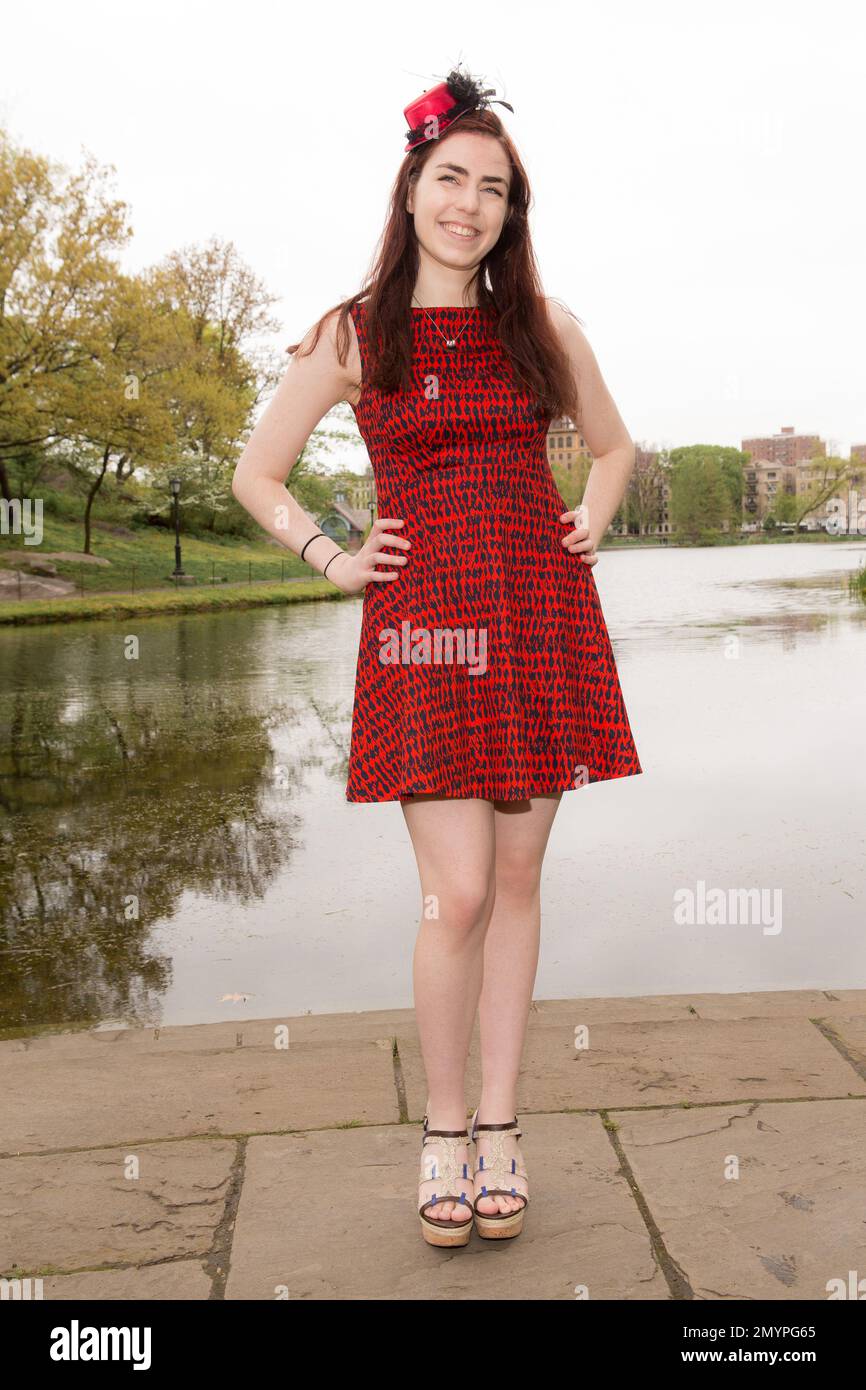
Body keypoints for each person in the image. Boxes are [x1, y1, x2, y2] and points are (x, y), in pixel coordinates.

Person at [231, 64, 642, 1249]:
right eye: (450, 178)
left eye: (494, 189)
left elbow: (613, 449)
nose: (469, 203)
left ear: (512, 213)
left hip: (533, 618)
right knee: (453, 891)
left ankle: (502, 1129)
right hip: (421, 629)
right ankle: (443, 1131)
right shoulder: (354, 334)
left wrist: (592, 516)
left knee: (515, 887)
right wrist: (327, 553)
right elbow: (256, 472)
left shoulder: (543, 328)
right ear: (411, 188)